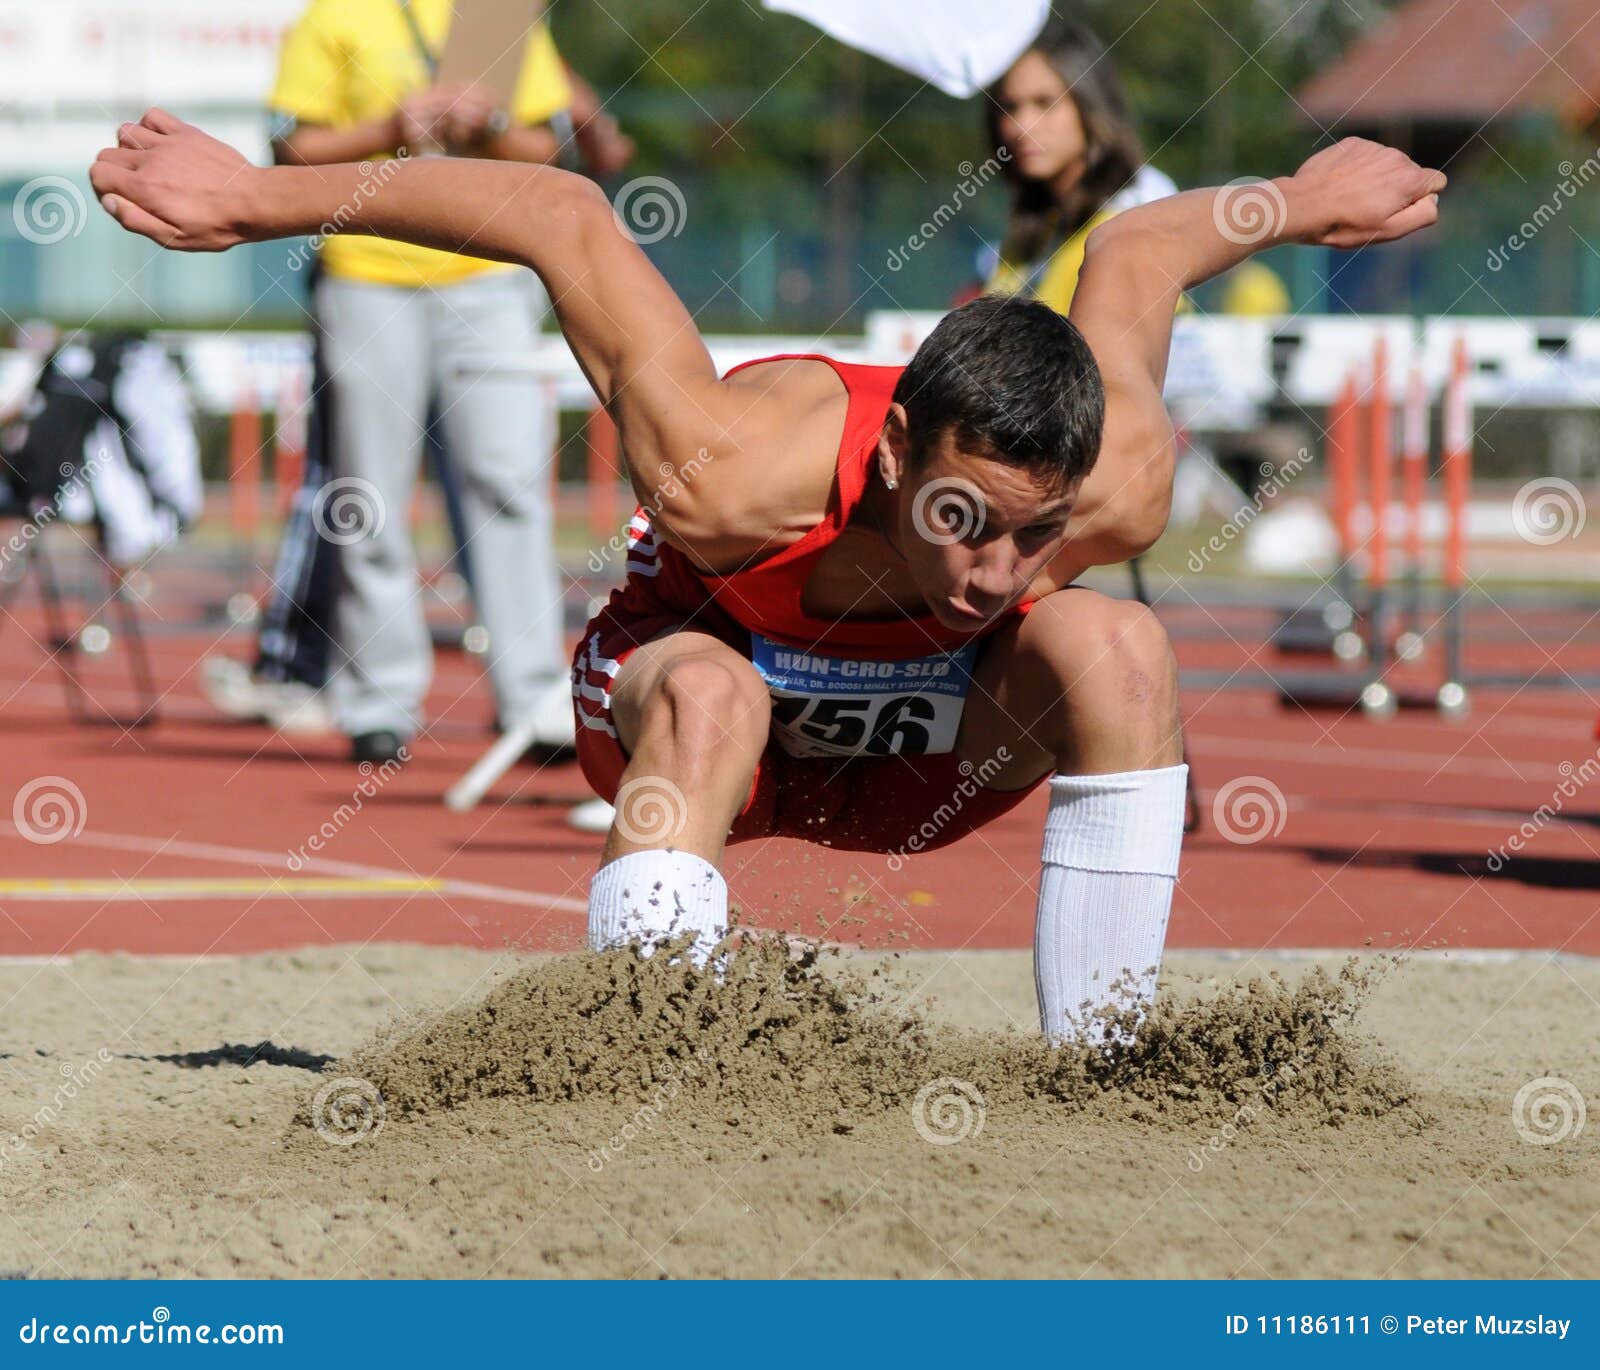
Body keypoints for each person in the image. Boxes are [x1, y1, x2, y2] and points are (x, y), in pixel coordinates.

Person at [91, 111, 1444, 1043]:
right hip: (703, 719)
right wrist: (259, 200)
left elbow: (1139, 251)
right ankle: (656, 1057)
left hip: (924, 756)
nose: (995, 573)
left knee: (1121, 648)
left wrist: (1301, 202)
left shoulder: (1111, 485)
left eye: (1033, 536)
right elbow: (558, 215)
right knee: (717, 699)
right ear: (900, 450)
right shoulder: (730, 467)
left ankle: (1104, 1059)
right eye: (968, 520)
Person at [230, 0, 631, 765]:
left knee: (508, 485)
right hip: (367, 275)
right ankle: (379, 701)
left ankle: (536, 701)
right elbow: (290, 144)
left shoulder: (496, 17)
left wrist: (481, 129)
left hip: (487, 273)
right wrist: (393, 126)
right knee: (368, 496)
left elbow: (547, 147)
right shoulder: (334, 17)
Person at [982, 16, 1177, 314]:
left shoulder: (1139, 205)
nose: (1021, 126)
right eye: (1009, 106)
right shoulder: (1030, 226)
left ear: (1090, 105)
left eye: (1045, 102)